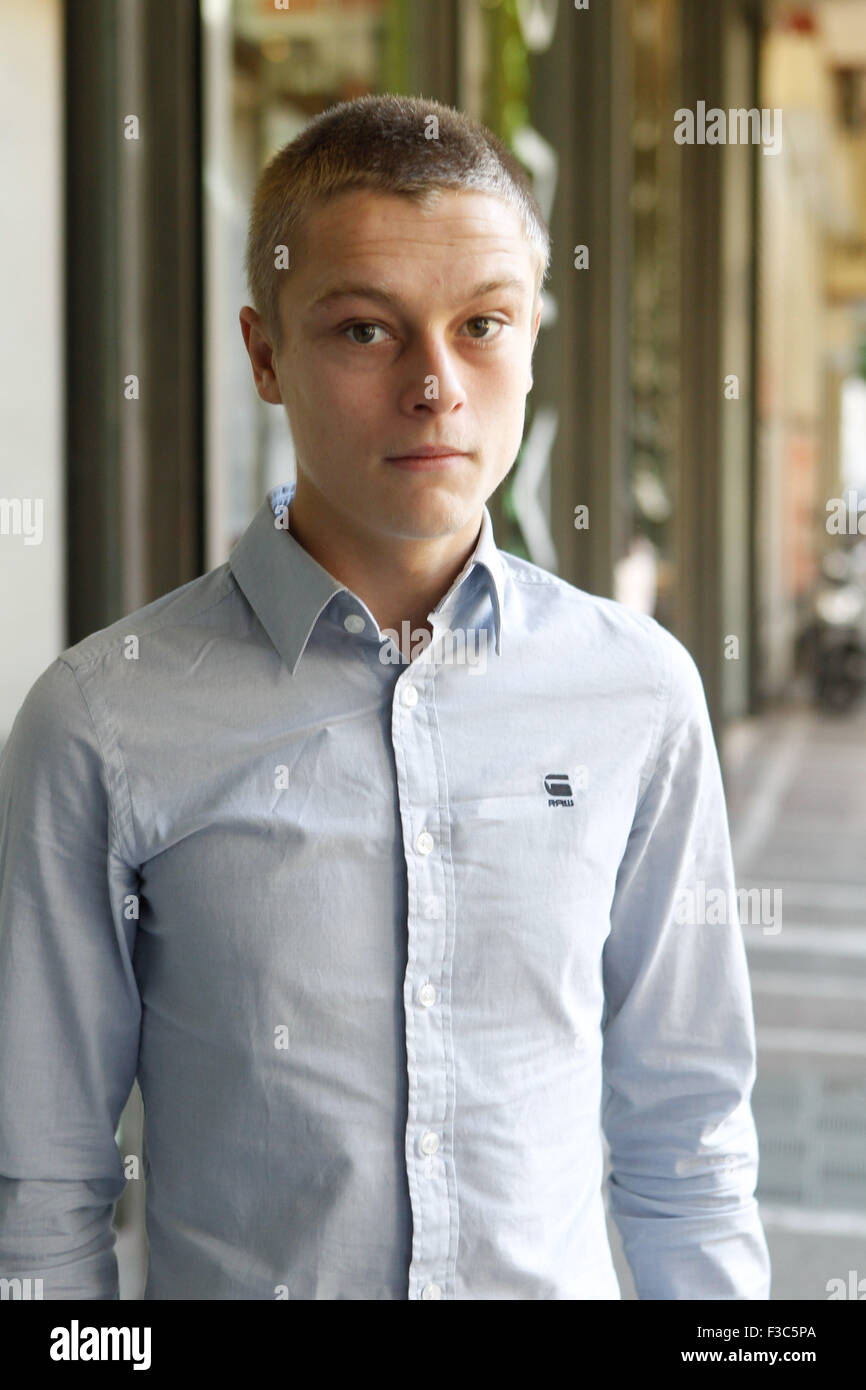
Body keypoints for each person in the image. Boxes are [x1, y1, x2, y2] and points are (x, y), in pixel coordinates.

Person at [0, 94, 770, 1300]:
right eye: (365, 331)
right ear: (264, 353)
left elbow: (688, 1143)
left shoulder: (636, 693)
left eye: (481, 325)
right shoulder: (102, 721)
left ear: (528, 339)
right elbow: (40, 1196)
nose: (435, 386)